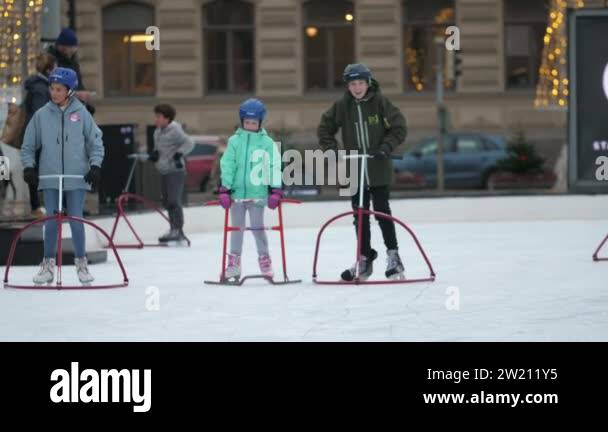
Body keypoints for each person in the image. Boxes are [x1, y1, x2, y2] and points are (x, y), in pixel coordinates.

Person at [318, 63, 407, 281]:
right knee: (359, 216)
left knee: (382, 212)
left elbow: (399, 127)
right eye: (352, 84)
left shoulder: (380, 102)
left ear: (368, 83)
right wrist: (331, 149)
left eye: (361, 83)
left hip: (378, 169)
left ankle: (393, 256)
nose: (357, 88)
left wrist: (386, 147)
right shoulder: (343, 106)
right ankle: (365, 257)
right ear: (348, 86)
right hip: (355, 171)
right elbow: (325, 128)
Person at [21, 67, 104, 285]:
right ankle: (48, 265)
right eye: (52, 88)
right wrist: (29, 167)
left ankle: (81, 263)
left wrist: (95, 166)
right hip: (50, 177)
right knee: (51, 222)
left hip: (76, 178)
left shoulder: (82, 113)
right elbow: (28, 145)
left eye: (59, 89)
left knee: (76, 220)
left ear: (69, 90)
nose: (54, 93)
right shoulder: (42, 115)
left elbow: (96, 142)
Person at [218, 98, 282, 281]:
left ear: (260, 122)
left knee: (257, 228)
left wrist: (276, 189)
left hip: (258, 194)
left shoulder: (267, 143)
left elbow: (274, 166)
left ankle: (265, 260)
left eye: (254, 123)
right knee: (236, 229)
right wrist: (225, 189)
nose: (250, 126)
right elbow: (228, 165)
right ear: (242, 121)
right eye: (247, 122)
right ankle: (233, 265)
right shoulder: (234, 142)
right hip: (237, 195)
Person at [148, 104, 194, 243]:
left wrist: (179, 154)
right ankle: (173, 228)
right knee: (167, 201)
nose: (156, 119)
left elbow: (189, 142)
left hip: (175, 170)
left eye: (159, 116)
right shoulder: (157, 132)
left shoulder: (175, 130)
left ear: (167, 118)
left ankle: (178, 230)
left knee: (174, 200)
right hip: (163, 170)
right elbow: (158, 148)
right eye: (155, 116)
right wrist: (155, 154)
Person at [22, 52, 56, 218]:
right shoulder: (41, 89)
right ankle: (39, 206)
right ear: (49, 70)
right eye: (55, 67)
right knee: (39, 170)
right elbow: (39, 114)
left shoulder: (37, 86)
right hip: (37, 135)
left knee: (35, 169)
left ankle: (38, 206)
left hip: (33, 135)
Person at [47, 28, 95, 114]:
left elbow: (79, 85)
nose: (75, 50)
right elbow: (54, 91)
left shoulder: (73, 63)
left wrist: (85, 97)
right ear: (64, 48)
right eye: (73, 47)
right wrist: (77, 94)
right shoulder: (53, 63)